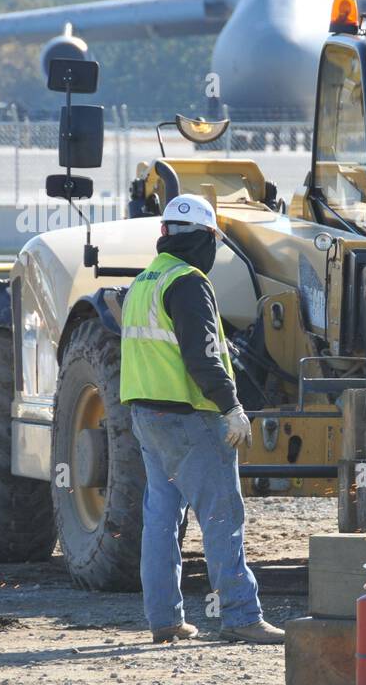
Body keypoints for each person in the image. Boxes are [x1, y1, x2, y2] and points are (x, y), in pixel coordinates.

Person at [119, 193, 284, 645]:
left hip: (147, 415)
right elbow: (204, 355)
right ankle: (241, 615)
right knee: (222, 515)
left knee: (161, 520)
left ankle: (165, 619)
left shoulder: (144, 282)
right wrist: (231, 406)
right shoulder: (188, 282)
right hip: (191, 418)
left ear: (165, 235)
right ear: (209, 239)